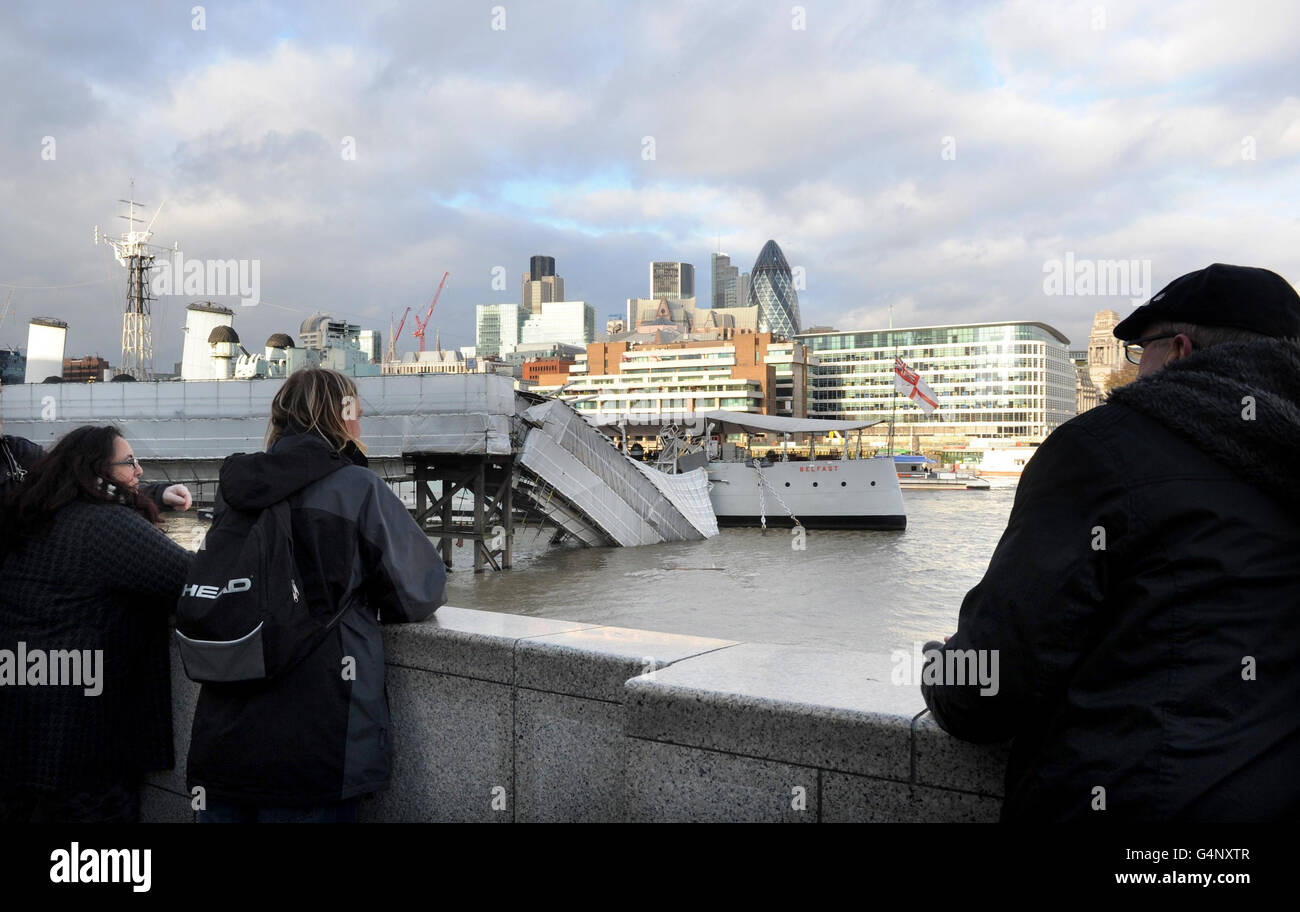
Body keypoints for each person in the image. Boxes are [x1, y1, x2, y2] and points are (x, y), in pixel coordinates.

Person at [920, 263, 1300, 822]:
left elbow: (990, 690)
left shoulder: (1102, 450)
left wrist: (940, 666)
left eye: (1138, 350)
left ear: (1177, 351)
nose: (1133, 369)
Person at [187, 367, 445, 823]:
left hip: (223, 740)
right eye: (357, 416)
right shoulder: (357, 489)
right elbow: (419, 593)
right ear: (340, 420)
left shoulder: (236, 490)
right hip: (319, 739)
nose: (361, 426)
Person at [0, 425, 195, 822]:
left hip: (19, 730)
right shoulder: (103, 524)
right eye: (130, 463)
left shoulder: (37, 517)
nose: (140, 471)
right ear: (97, 472)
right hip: (85, 743)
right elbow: (191, 579)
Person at [1, 385, 194, 510]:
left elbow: (85, 482)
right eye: (130, 462)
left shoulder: (16, 453)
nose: (139, 470)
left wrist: (160, 494)